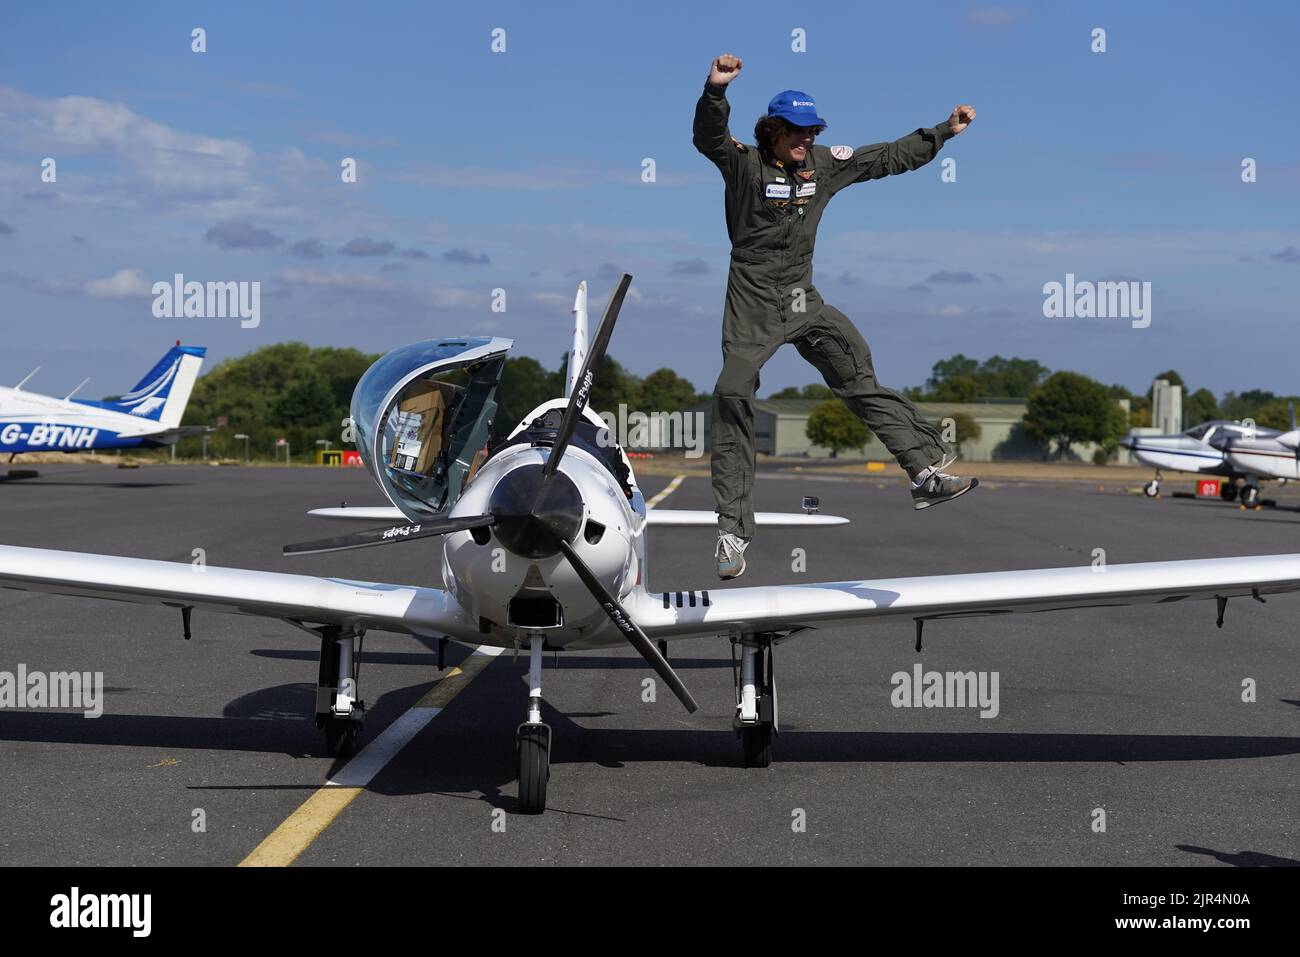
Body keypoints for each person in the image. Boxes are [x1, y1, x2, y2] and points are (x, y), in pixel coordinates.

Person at [693, 53, 979, 580]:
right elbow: (709, 137)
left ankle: (923, 472)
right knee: (732, 394)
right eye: (797, 132)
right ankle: (732, 532)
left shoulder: (824, 163)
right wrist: (716, 89)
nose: (805, 140)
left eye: (812, 131)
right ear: (773, 131)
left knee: (858, 377)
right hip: (752, 303)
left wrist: (945, 132)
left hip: (803, 299)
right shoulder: (743, 164)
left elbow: (885, 157)